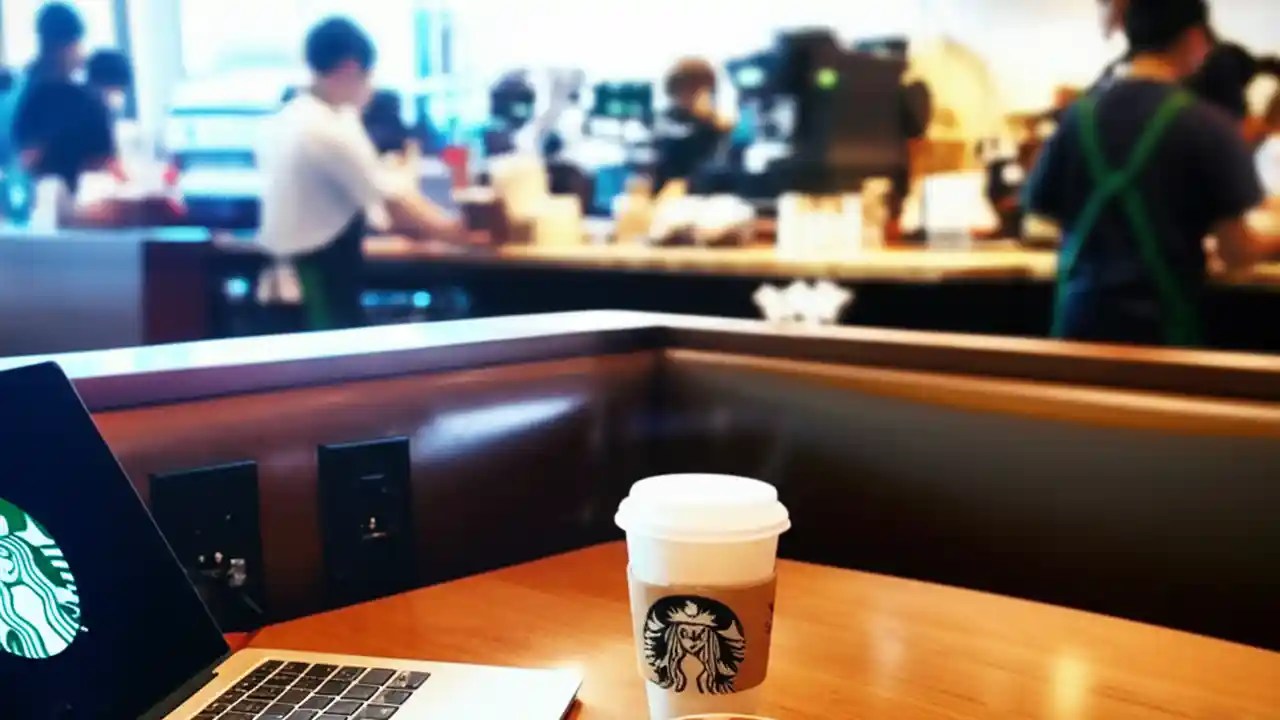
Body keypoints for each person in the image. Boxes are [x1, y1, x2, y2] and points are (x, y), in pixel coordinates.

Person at [1025, 0, 1279, 347]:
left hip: (1078, 336)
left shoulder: (1075, 120)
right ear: (1193, 38)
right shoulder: (1207, 126)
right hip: (1162, 340)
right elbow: (1236, 252)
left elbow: (1044, 215)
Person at [257, 18, 462, 331]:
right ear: (351, 68)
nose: (370, 86)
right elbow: (394, 203)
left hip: (294, 272)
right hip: (315, 274)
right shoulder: (326, 128)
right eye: (368, 75)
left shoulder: (293, 116)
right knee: (330, 369)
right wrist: (461, 234)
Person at [10, 2, 116, 195]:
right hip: (60, 202)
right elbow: (26, 159)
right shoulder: (82, 101)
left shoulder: (25, 94)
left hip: (66, 201)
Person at [652, 58, 733, 194]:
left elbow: (721, 165)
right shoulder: (663, 121)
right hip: (665, 194)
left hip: (706, 195)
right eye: (687, 87)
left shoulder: (716, 124)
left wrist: (711, 122)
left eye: (700, 88)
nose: (692, 94)